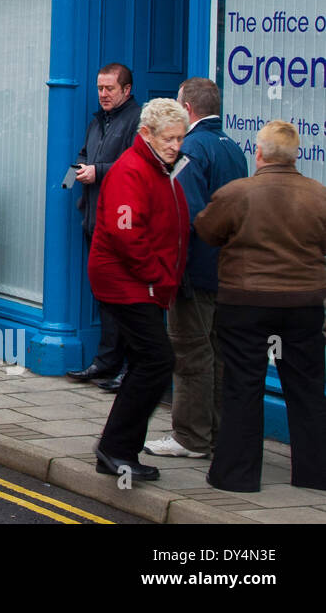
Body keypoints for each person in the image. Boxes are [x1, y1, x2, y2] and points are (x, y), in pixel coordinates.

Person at [193, 121, 326, 492]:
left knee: (242, 385)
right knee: (307, 387)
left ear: (260, 153)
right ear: (295, 154)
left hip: (245, 302)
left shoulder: (238, 193)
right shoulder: (319, 195)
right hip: (303, 304)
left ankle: (236, 475)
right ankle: (316, 473)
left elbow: (206, 230)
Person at [87, 97, 190, 482]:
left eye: (180, 138)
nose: (175, 146)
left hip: (142, 284)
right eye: (169, 138)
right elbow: (125, 234)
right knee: (157, 361)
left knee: (148, 362)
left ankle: (115, 448)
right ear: (145, 134)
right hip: (127, 283)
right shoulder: (132, 170)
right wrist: (158, 277)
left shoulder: (159, 168)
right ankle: (115, 448)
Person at [143, 78, 247, 459]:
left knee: (190, 354)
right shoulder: (234, 148)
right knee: (218, 353)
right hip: (228, 269)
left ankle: (190, 436)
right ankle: (216, 431)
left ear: (187, 110)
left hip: (196, 269)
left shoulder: (192, 148)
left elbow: (185, 213)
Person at [68, 63, 142, 391]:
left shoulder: (136, 120)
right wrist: (70, 181)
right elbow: (83, 155)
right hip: (93, 217)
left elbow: (136, 166)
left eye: (109, 89)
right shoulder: (97, 120)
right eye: (100, 89)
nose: (103, 95)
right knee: (104, 297)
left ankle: (129, 368)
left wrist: (98, 171)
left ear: (126, 90)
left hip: (119, 223)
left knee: (125, 298)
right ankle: (105, 361)